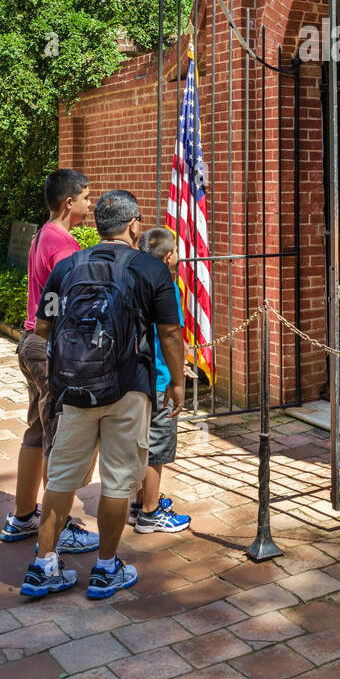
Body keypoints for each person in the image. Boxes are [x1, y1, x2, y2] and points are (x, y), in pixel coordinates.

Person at [20, 189, 184, 599]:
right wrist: (178, 382)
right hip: (128, 389)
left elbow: (43, 326)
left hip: (73, 389)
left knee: (61, 479)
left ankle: (43, 567)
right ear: (133, 225)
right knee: (115, 480)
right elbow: (169, 332)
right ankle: (107, 569)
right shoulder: (151, 268)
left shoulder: (68, 266)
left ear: (97, 226)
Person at [0, 168, 99, 555]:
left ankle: (22, 517)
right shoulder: (65, 245)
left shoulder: (44, 233)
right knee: (61, 441)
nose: (90, 204)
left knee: (37, 432)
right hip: (49, 348)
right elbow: (72, 306)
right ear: (68, 202)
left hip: (30, 343)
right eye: (87, 197)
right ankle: (56, 529)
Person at [131, 228, 191, 534]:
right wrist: (177, 378)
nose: (180, 255)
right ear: (168, 257)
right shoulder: (167, 286)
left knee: (140, 442)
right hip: (160, 377)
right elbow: (172, 334)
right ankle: (150, 513)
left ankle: (138, 501)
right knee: (157, 447)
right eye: (178, 250)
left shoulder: (133, 280)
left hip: (136, 376)